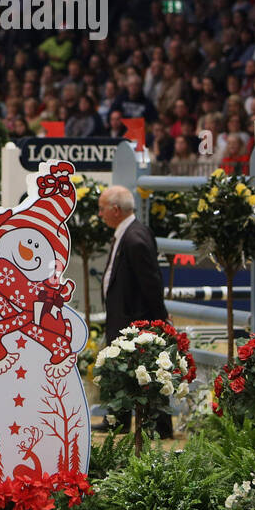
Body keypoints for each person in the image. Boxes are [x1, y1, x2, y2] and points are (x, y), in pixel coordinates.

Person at [96, 185, 173, 436]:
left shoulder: (134, 237)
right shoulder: (129, 233)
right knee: (121, 370)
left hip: (135, 318)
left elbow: (151, 283)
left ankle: (159, 428)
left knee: (147, 373)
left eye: (102, 209)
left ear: (116, 210)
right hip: (125, 316)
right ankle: (117, 421)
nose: (100, 215)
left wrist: (160, 319)